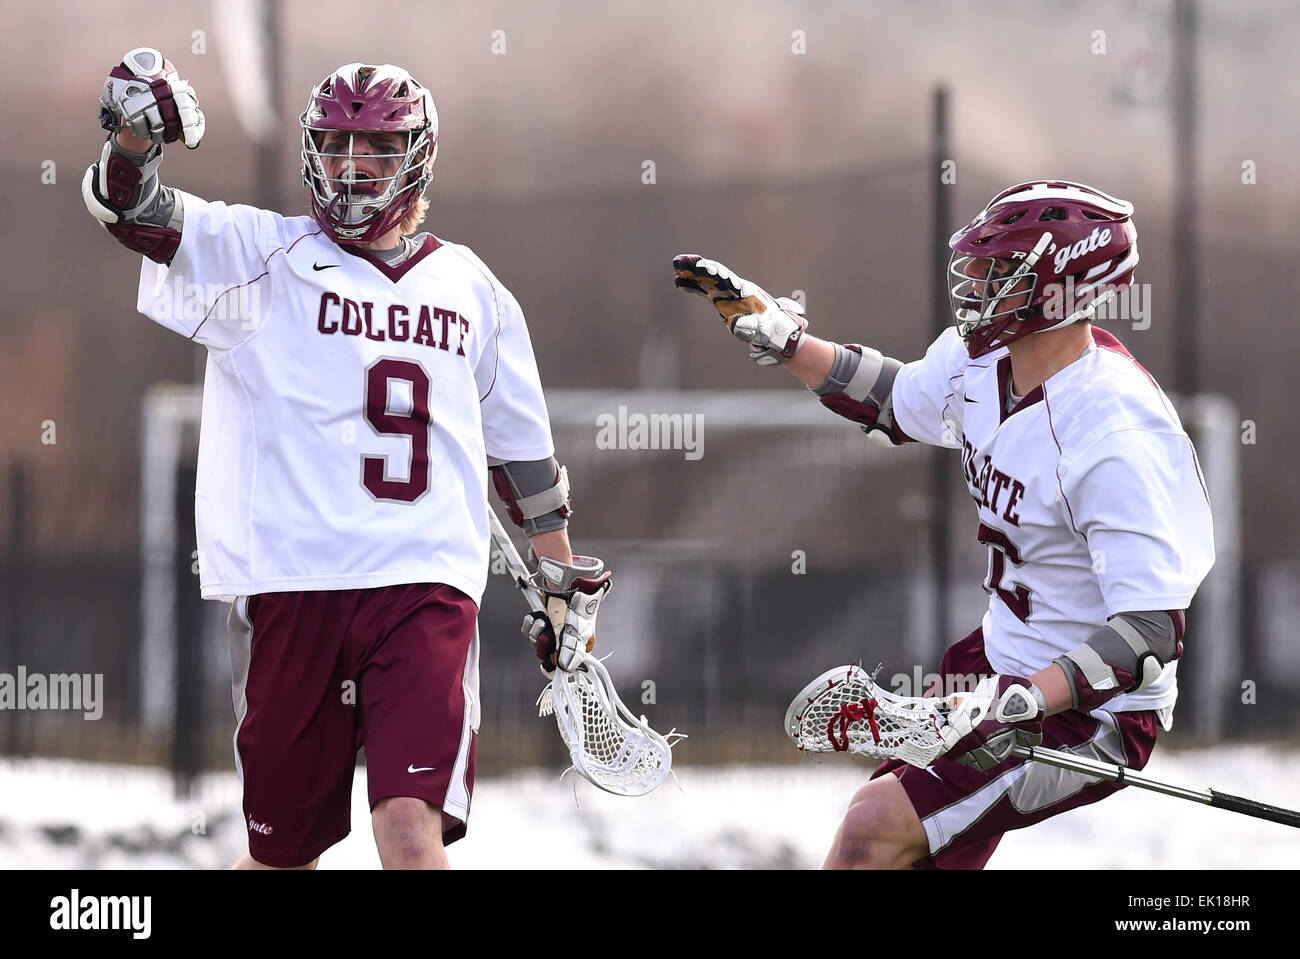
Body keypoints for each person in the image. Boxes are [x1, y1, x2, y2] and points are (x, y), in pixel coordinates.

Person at [84, 49, 611, 869]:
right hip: (295, 582)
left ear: (418, 158)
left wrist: (557, 577)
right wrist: (130, 143)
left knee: (409, 831)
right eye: (334, 145)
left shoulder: (473, 289)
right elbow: (134, 214)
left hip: (423, 582)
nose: (352, 166)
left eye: (375, 148)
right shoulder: (265, 255)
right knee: (281, 856)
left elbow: (523, 460)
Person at [673, 179, 1215, 869]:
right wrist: (787, 339)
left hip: (1088, 708)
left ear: (1061, 290)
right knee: (899, 850)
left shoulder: (1112, 430)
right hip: (990, 667)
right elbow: (894, 399)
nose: (980, 286)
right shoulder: (983, 363)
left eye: (1001, 272)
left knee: (873, 832)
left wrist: (1024, 702)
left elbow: (1148, 631)